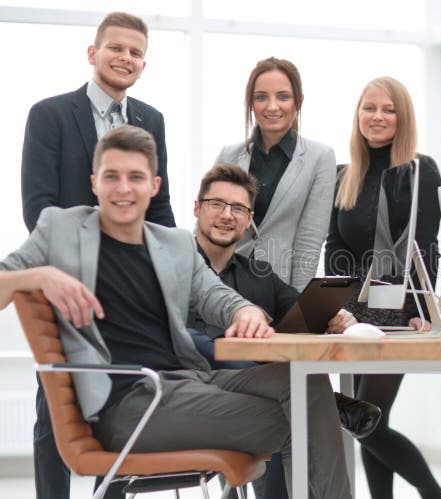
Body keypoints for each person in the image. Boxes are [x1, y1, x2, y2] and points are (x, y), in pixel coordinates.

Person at [1, 125, 351, 499]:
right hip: (128, 404)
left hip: (186, 381)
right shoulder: (60, 228)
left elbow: (216, 295)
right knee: (303, 419)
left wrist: (245, 312)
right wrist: (38, 276)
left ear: (154, 186)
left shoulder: (174, 244)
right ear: (94, 182)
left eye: (135, 177)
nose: (123, 188)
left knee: (305, 383)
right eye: (112, 176)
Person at [19, 12, 175, 499]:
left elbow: (160, 207)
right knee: (58, 409)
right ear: (93, 53)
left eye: (135, 52)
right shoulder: (50, 115)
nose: (125, 58)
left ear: (144, 64)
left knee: (128, 399)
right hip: (69, 284)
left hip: (133, 287)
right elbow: (38, 208)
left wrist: (175, 266)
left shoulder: (151, 120)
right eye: (116, 48)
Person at [187, 163, 382, 499]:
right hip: (195, 391)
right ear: (196, 208)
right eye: (216, 204)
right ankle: (333, 407)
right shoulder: (174, 265)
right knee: (302, 398)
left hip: (260, 395)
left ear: (249, 219)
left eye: (238, 208)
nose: (227, 215)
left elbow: (300, 312)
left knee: (301, 395)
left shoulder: (259, 274)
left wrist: (337, 316)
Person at [324, 76, 441, 499]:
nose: (377, 116)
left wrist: (423, 309)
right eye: (369, 108)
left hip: (399, 310)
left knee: (367, 421)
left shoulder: (420, 171)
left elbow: (426, 245)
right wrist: (338, 308)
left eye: (388, 109)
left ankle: (437, 495)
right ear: (358, 114)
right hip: (353, 314)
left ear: (403, 118)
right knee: (369, 420)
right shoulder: (344, 175)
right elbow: (335, 248)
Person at [216, 57, 335, 291]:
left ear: (298, 101)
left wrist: (297, 303)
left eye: (283, 97)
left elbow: (310, 240)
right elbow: (208, 225)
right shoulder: (228, 155)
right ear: (251, 103)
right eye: (261, 97)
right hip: (224, 284)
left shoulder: (320, 157)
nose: (272, 107)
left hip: (279, 288)